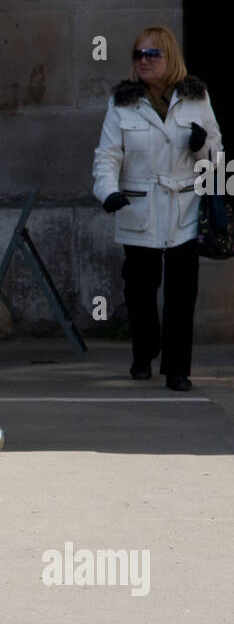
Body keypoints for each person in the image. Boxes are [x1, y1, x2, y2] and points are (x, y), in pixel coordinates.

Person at [92, 24, 221, 390]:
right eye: (138, 54)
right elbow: (108, 154)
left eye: (152, 54)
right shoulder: (122, 102)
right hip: (138, 206)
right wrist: (107, 191)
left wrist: (200, 146)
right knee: (140, 292)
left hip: (183, 208)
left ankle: (177, 368)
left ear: (170, 57)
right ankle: (143, 351)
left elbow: (217, 156)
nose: (144, 61)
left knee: (182, 293)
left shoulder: (197, 98)